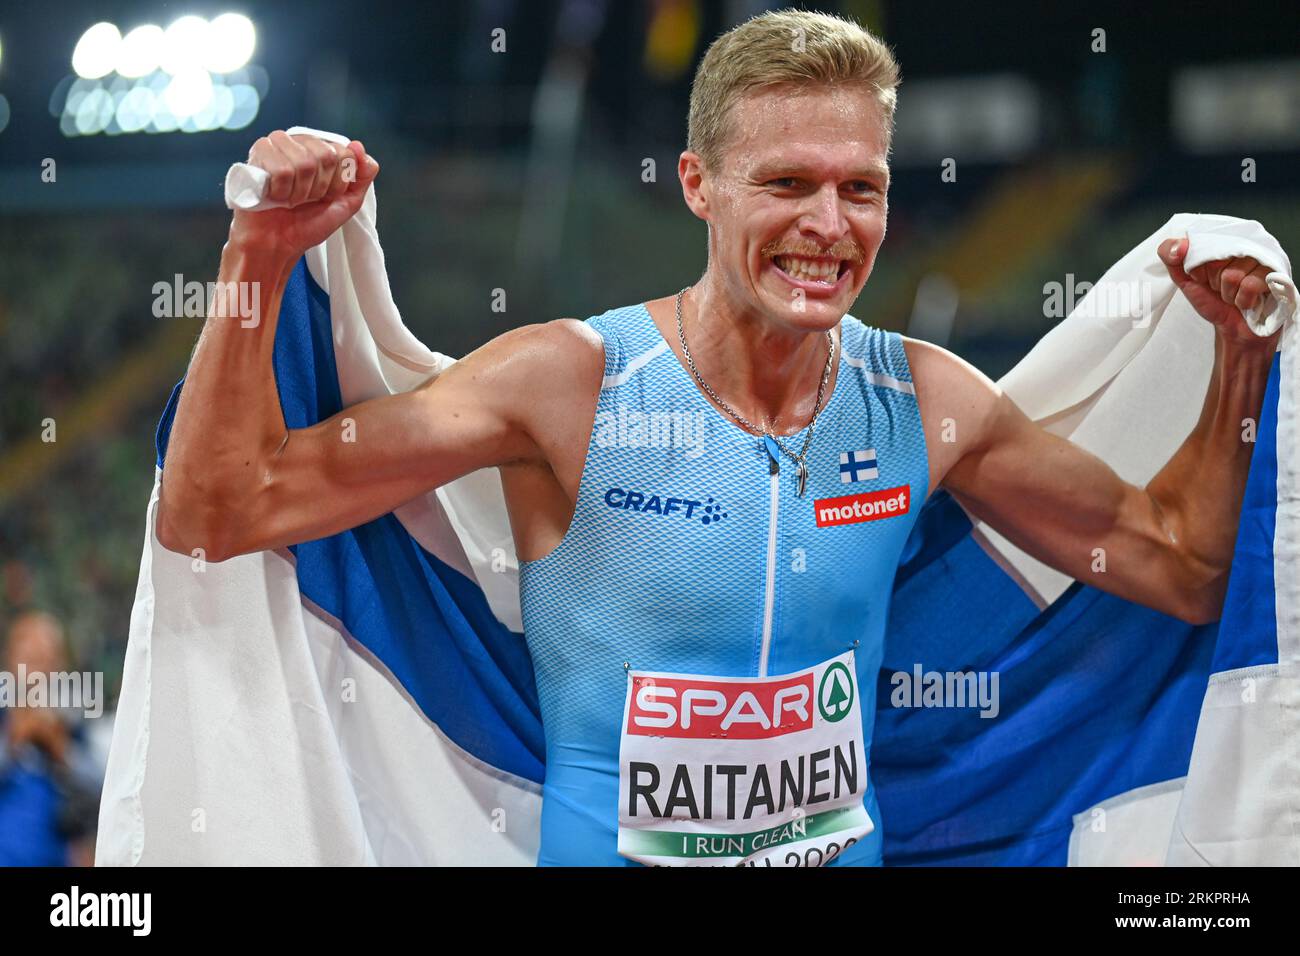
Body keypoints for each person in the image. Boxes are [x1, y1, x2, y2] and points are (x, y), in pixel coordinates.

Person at [155, 9, 1280, 866]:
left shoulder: (927, 402)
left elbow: (1178, 562)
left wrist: (1237, 355)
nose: (828, 227)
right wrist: (258, 252)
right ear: (696, 184)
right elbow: (221, 508)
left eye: (861, 188)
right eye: (785, 182)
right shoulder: (568, 383)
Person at [0, 611, 100, 866]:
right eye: (31, 659)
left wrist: (62, 753)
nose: (38, 672)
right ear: (10, 661)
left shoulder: (69, 726)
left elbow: (103, 790)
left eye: (48, 661)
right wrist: (12, 742)